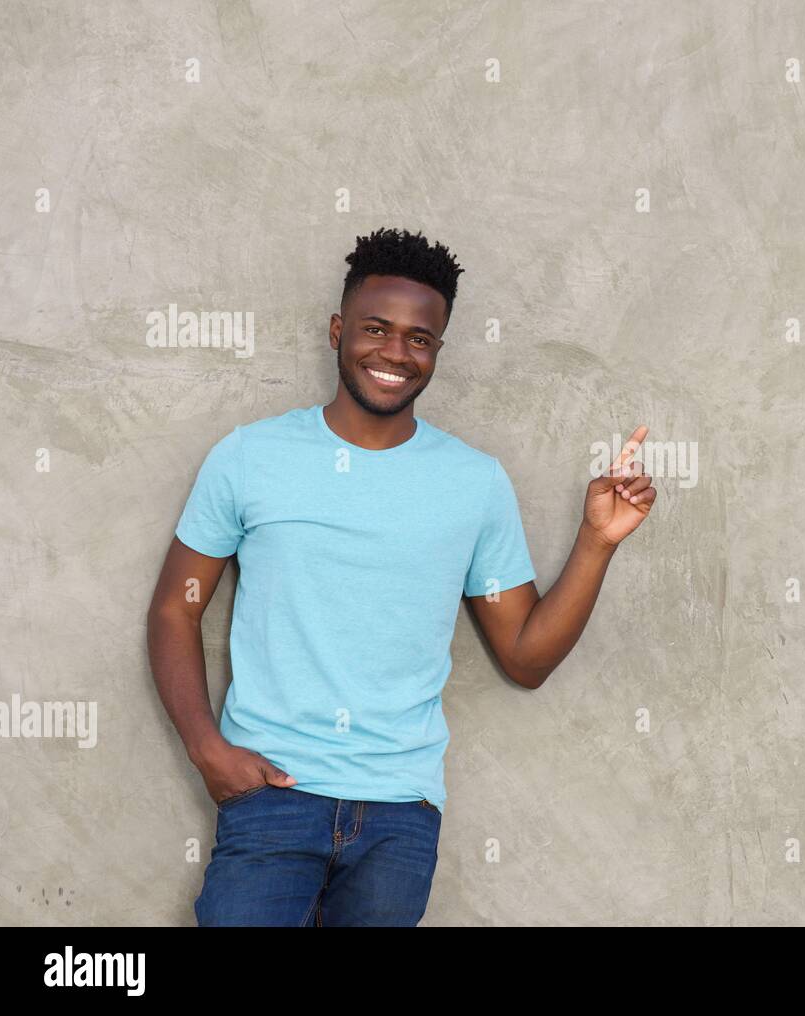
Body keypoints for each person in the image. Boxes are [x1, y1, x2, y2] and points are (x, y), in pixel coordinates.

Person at [146, 227, 656, 926]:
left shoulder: (474, 483)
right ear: (337, 331)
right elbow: (176, 609)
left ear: (438, 352)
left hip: (399, 820)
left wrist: (598, 542)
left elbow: (526, 657)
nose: (395, 352)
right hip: (270, 798)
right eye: (376, 329)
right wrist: (209, 752)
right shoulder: (249, 458)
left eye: (419, 338)